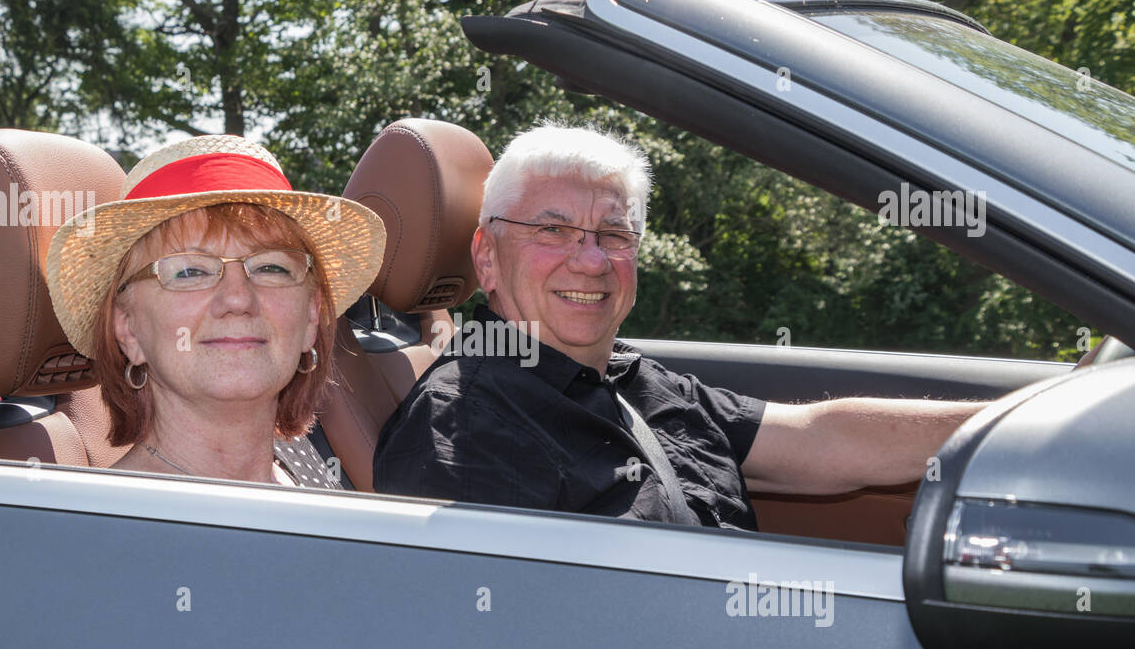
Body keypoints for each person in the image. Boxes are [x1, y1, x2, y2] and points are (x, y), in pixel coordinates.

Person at [372, 124, 986, 527]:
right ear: (486, 256)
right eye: (553, 230)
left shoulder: (635, 383)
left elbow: (819, 440)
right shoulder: (465, 422)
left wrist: (1025, 425)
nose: (590, 259)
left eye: (614, 234)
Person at [48, 134, 385, 485]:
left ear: (311, 318)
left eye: (272, 268)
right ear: (128, 329)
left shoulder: (315, 472)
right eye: (190, 271)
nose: (238, 299)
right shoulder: (96, 528)